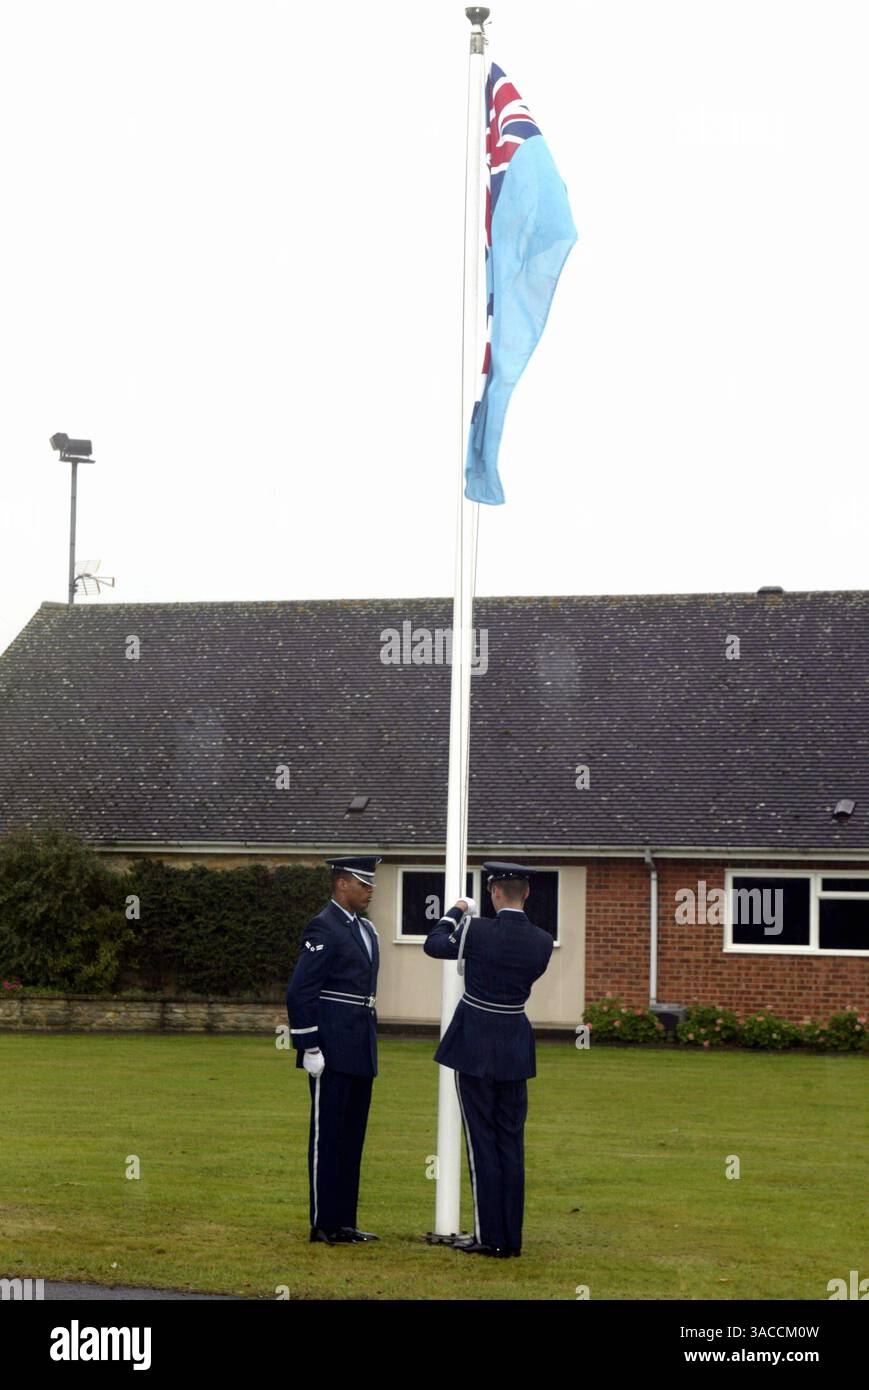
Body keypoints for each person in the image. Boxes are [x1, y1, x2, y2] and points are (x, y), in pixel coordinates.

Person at [423, 861, 554, 1257]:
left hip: (477, 1042)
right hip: (514, 1042)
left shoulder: (477, 930)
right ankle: (510, 1238)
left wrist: (458, 909)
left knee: (483, 1142)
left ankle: (489, 1237)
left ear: (495, 893)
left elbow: (434, 943)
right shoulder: (542, 940)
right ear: (526, 893)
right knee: (511, 1143)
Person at [286, 855, 382, 1244]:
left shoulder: (367, 930)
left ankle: (344, 1220)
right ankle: (323, 1222)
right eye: (363, 883)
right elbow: (300, 991)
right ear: (342, 883)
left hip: (359, 1045)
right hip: (331, 1047)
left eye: (371, 883)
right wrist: (309, 1044)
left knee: (351, 1137)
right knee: (328, 1136)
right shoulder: (323, 927)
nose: (369, 889)